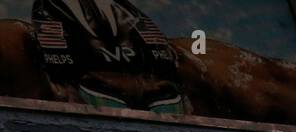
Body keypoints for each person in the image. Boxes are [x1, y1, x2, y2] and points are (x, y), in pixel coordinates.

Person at [30, 0, 182, 113]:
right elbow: (163, 57)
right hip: (161, 95)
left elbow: (59, 65)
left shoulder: (47, 4)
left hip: (101, 92)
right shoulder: (127, 7)